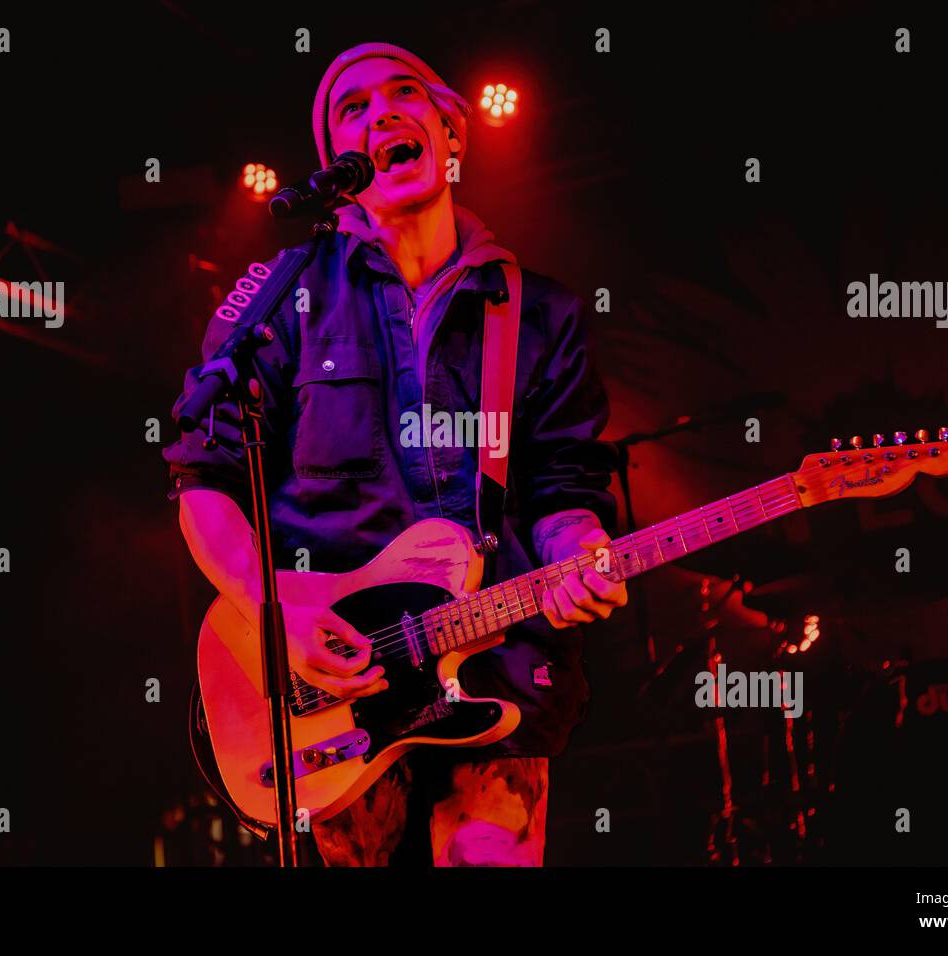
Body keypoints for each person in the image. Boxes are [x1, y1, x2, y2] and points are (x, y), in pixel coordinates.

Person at [164, 42, 626, 866]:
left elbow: (564, 481)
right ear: (341, 165)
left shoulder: (540, 313)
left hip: (497, 668)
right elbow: (204, 476)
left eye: (404, 93)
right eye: (352, 107)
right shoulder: (284, 297)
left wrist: (576, 549)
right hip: (339, 692)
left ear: (453, 134)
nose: (380, 111)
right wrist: (277, 619)